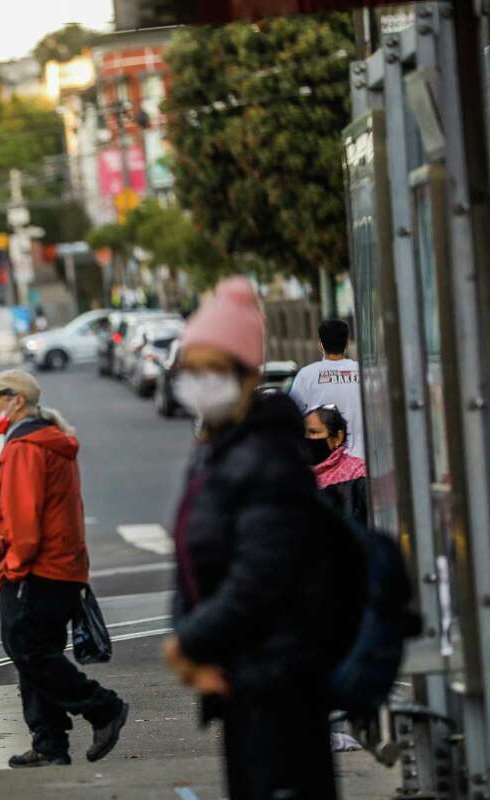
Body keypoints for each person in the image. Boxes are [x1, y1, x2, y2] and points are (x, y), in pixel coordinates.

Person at [162, 277, 340, 799]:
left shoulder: (269, 456)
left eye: (210, 370)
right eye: (188, 369)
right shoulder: (220, 447)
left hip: (279, 679)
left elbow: (261, 574)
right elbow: (193, 557)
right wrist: (195, 645)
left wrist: (189, 641)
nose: (196, 382)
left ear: (248, 375)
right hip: (240, 675)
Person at [0, 368, 128, 768]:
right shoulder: (44, 440)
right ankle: (49, 744)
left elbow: (23, 519)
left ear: (17, 401)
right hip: (60, 568)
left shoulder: (26, 447)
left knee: (28, 649)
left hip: (37, 569)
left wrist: (13, 567)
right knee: (35, 652)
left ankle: (102, 708)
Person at [289, 319, 365, 459]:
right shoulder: (363, 372)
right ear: (347, 343)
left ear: (320, 345)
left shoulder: (306, 376)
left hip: (325, 464)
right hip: (362, 462)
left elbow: (292, 418)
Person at [305, 405, 369, 527]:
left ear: (337, 438)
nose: (307, 439)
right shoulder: (297, 472)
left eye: (314, 432)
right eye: (304, 433)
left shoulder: (358, 471)